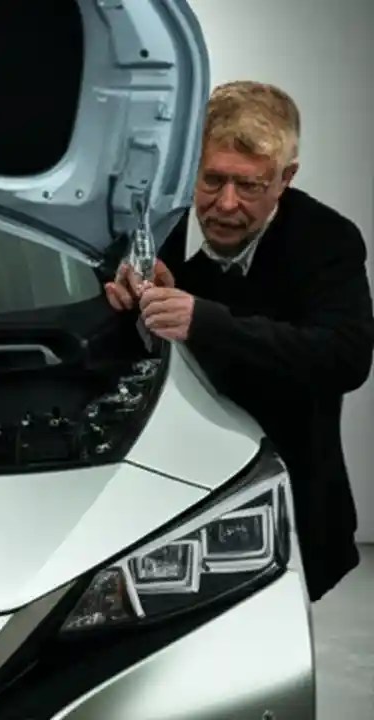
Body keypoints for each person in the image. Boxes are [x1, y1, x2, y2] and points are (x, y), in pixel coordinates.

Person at [105, 80, 374, 602]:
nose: (226, 205)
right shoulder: (153, 227)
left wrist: (204, 319)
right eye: (212, 180)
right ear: (189, 170)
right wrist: (121, 304)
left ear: (285, 179)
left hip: (289, 488)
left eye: (249, 186)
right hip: (161, 488)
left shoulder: (328, 238)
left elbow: (346, 357)